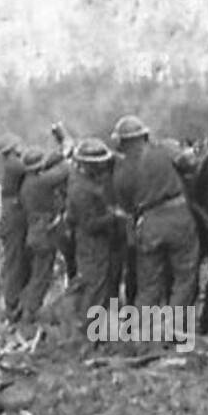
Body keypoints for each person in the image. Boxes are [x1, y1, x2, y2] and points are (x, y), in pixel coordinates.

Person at [111, 114, 198, 341]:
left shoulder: (120, 171)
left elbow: (126, 207)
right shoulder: (165, 149)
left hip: (148, 224)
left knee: (148, 285)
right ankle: (175, 331)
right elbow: (191, 165)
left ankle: (140, 336)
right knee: (185, 276)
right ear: (144, 135)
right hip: (178, 218)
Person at [63, 138, 126, 344]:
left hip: (89, 242)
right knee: (95, 288)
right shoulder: (83, 189)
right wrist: (114, 216)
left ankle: (95, 333)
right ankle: (92, 337)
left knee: (97, 286)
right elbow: (89, 223)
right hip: (92, 243)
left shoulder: (79, 180)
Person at [16, 145, 70, 343]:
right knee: (41, 277)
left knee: (37, 275)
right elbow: (65, 169)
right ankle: (28, 314)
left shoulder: (28, 183)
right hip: (43, 235)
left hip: (35, 232)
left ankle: (24, 311)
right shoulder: (40, 182)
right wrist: (66, 152)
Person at [0, 135, 29, 326]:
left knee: (14, 264)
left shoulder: (10, 165)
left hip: (11, 219)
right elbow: (34, 167)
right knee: (14, 265)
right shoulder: (14, 164)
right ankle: (12, 308)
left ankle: (14, 307)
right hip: (14, 220)